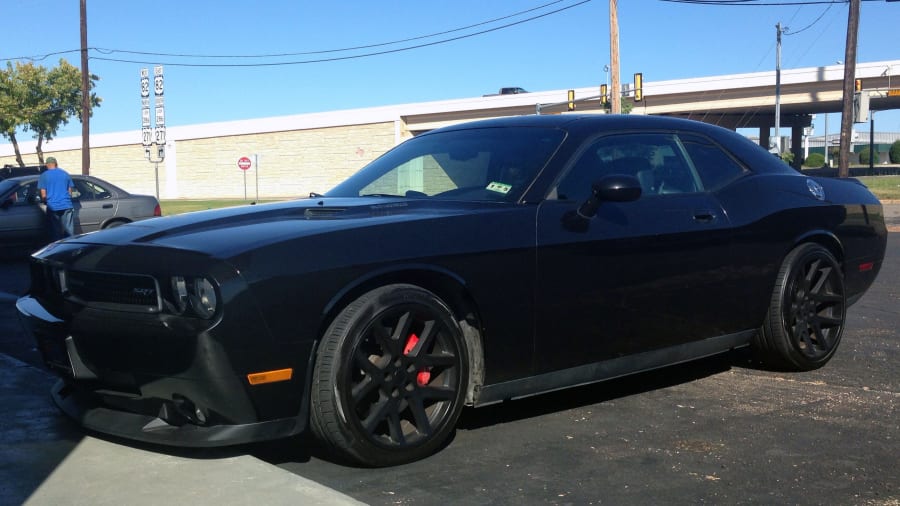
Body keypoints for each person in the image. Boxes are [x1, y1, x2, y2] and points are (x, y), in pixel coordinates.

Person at [38, 157, 76, 240]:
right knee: (69, 230)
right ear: (56, 164)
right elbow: (69, 192)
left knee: (55, 231)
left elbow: (43, 194)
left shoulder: (44, 175)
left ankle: (58, 249)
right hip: (66, 205)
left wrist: (44, 202)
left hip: (53, 206)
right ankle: (70, 248)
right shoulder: (65, 173)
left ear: (47, 165)